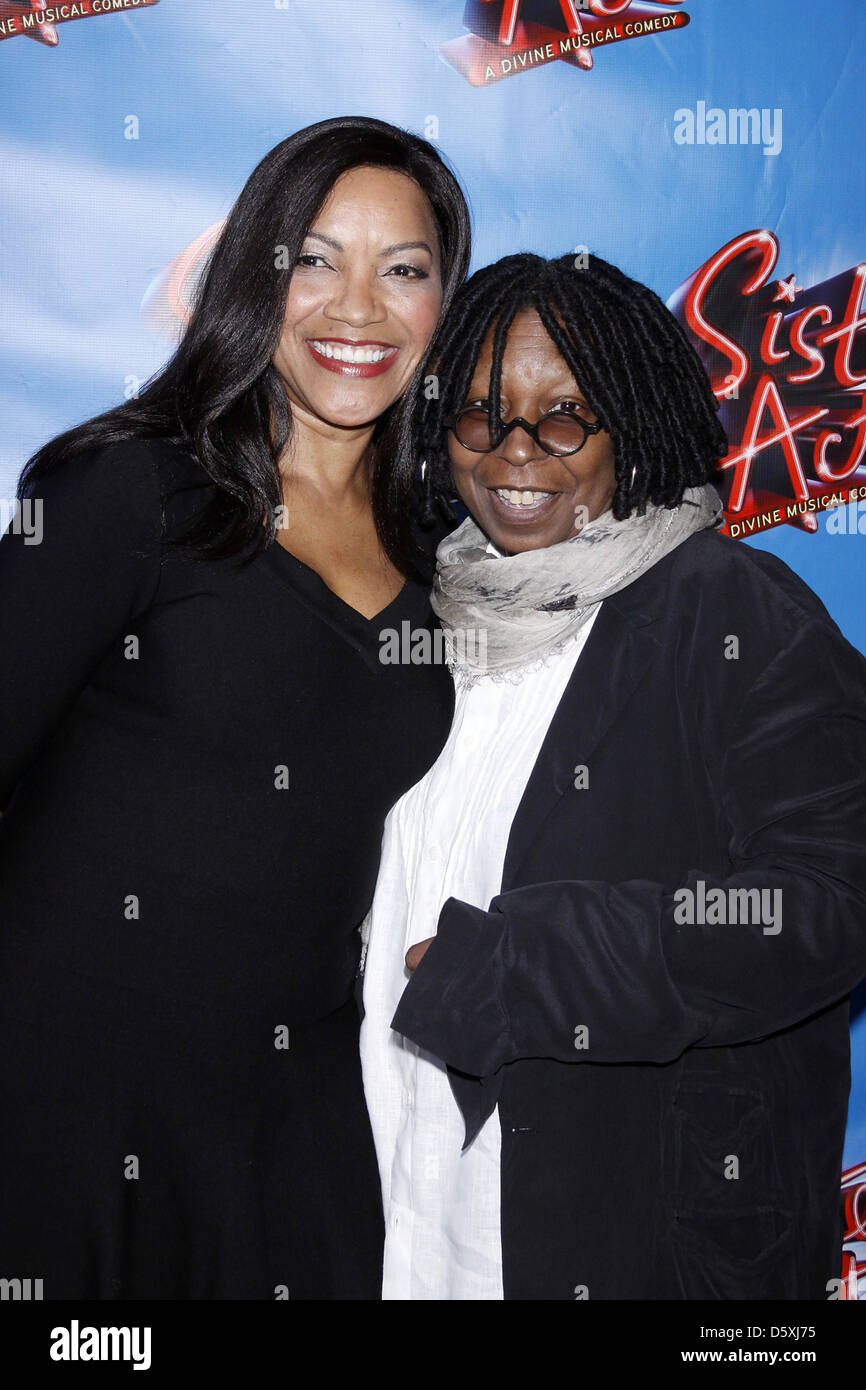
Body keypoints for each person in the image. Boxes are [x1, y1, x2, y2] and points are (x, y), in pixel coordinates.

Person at [0, 116, 470, 1299]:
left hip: (295, 1130)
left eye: (402, 269)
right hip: (63, 1122)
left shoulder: (450, 560)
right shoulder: (126, 488)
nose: (356, 309)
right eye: (315, 259)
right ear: (255, 270)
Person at [359, 250, 866, 1300]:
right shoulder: (415, 624)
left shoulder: (735, 615)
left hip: (632, 1244)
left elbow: (827, 902)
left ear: (629, 424)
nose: (514, 454)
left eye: (562, 418)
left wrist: (525, 966)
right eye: (480, 415)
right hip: (404, 1223)